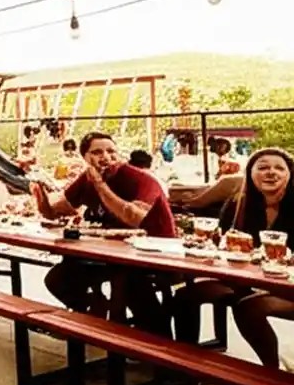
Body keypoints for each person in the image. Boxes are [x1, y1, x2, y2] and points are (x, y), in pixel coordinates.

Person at [31, 132, 176, 334]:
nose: (106, 157)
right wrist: (41, 199)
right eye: (97, 152)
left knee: (126, 283)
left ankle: (160, 346)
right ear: (85, 158)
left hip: (157, 255)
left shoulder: (141, 179)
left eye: (111, 151)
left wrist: (100, 185)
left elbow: (133, 217)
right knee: (59, 279)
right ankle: (94, 316)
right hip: (112, 254)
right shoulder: (86, 180)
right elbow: (56, 211)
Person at [193, 149, 294, 366]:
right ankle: (183, 364)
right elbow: (223, 244)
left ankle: (271, 373)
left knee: (249, 307)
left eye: (279, 168)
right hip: (250, 278)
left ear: (290, 174)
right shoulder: (237, 204)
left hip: (288, 286)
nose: (271, 173)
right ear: (250, 173)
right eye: (263, 167)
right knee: (188, 295)